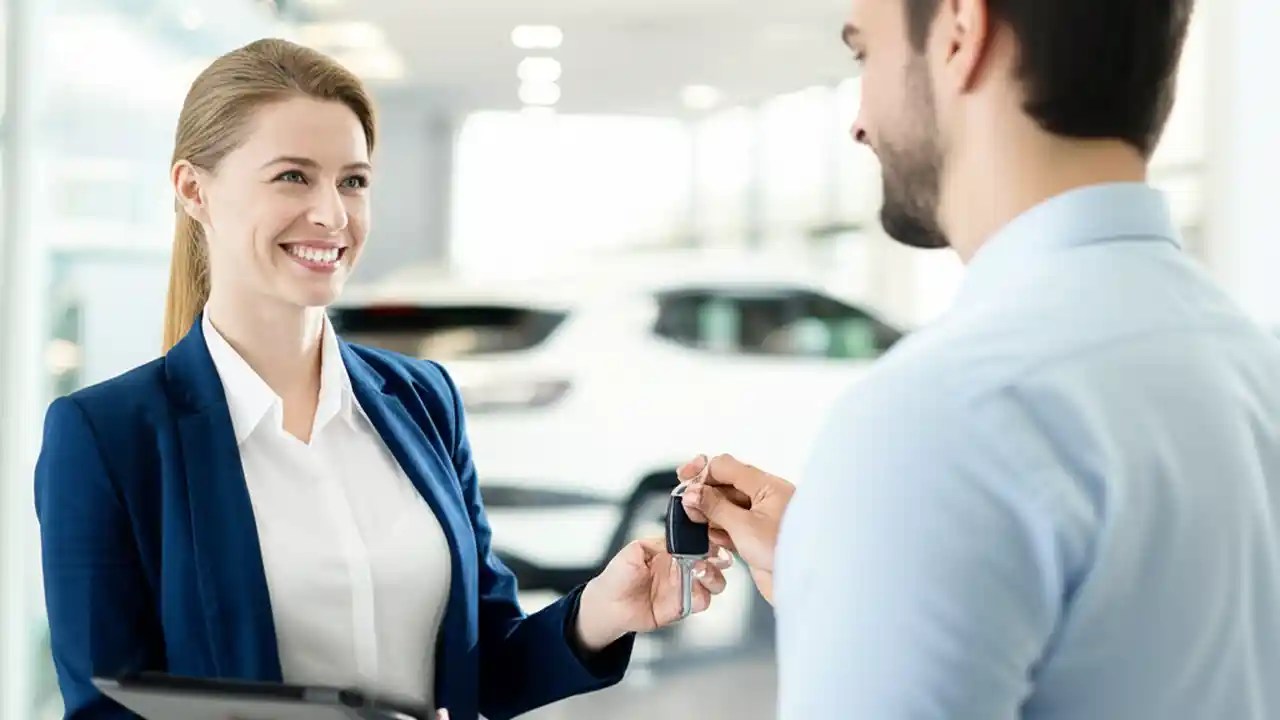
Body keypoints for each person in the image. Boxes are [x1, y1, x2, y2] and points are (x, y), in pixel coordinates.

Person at [33, 38, 732, 720]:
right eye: (292, 176)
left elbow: (484, 665)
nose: (333, 215)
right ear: (194, 190)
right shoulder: (106, 438)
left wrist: (600, 611)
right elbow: (105, 709)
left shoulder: (423, 400)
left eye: (353, 181)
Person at [679, 0, 1280, 717]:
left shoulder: (939, 419)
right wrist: (850, 573)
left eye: (864, 55)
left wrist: (878, 544)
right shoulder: (1249, 361)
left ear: (962, 31)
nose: (858, 122)